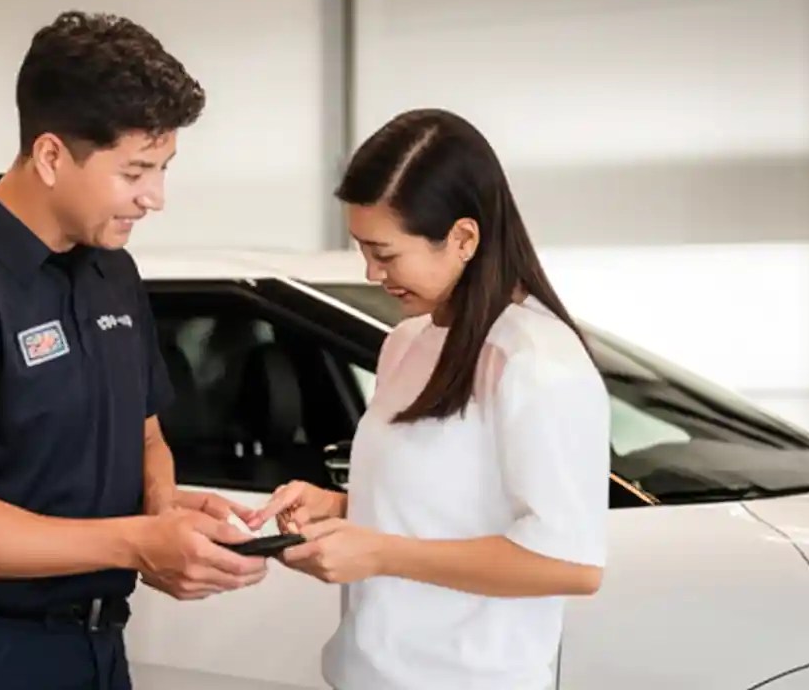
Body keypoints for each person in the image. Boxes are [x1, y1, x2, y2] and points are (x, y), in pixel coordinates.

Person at [0, 10, 267, 690]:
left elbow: (145, 437)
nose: (156, 197)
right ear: (51, 156)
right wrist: (138, 541)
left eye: (164, 168)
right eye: (136, 171)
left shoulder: (111, 271)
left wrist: (163, 509)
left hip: (98, 644)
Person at [252, 109, 610, 690]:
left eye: (386, 253)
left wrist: (380, 553)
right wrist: (343, 510)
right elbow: (447, 507)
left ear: (464, 238)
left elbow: (571, 564)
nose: (372, 272)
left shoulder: (535, 361)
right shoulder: (407, 343)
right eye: (363, 249)